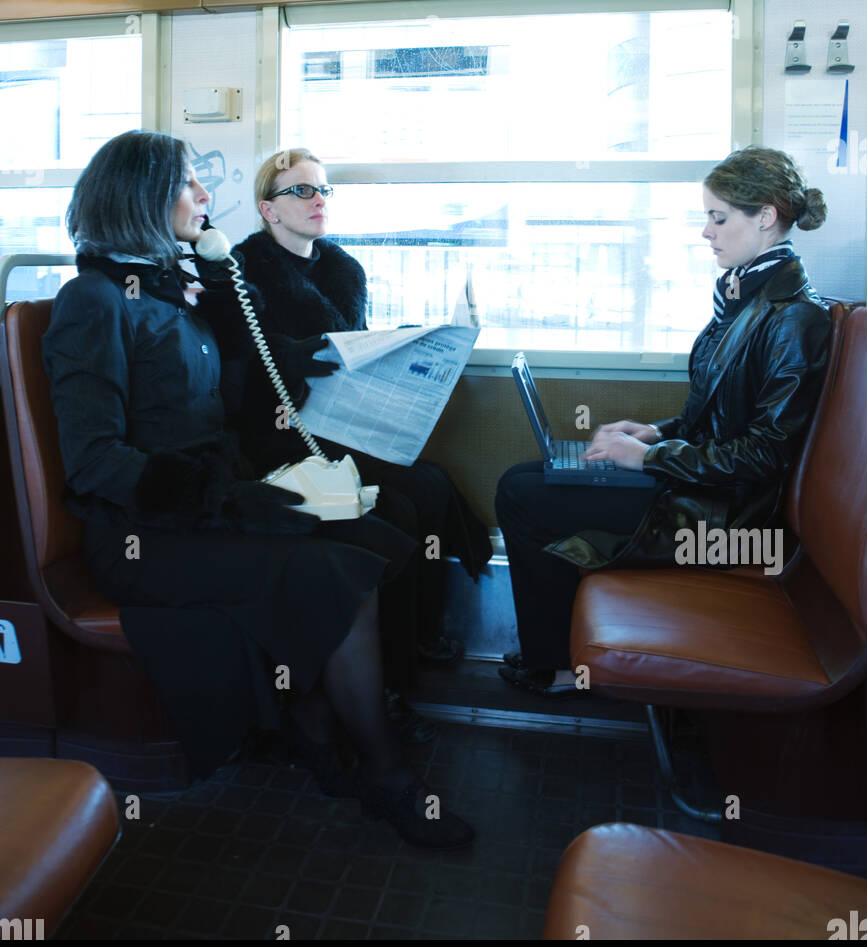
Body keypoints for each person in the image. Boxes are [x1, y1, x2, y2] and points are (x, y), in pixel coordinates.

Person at [42, 130, 473, 849]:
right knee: (341, 569)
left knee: (370, 533)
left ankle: (313, 725)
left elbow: (228, 388)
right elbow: (93, 461)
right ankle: (384, 774)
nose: (206, 199)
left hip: (208, 501)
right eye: (188, 185)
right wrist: (220, 498)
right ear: (140, 198)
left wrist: (259, 328)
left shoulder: (173, 288)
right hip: (144, 534)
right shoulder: (95, 300)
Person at [496, 146, 831, 694]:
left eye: (718, 218)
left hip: (737, 528)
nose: (706, 232)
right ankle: (552, 650)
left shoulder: (794, 318)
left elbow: (765, 453)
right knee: (524, 478)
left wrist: (650, 457)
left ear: (766, 216)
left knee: (522, 495)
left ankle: (556, 662)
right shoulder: (744, 299)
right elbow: (717, 417)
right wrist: (655, 433)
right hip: (707, 491)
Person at [206, 148, 492, 715]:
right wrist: (298, 356)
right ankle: (390, 675)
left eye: (323, 191)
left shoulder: (343, 269)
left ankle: (419, 637)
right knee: (401, 508)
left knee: (431, 483)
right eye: (301, 191)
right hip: (283, 432)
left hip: (342, 421)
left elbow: (354, 351)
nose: (317, 201)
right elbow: (244, 367)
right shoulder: (241, 270)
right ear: (268, 208)